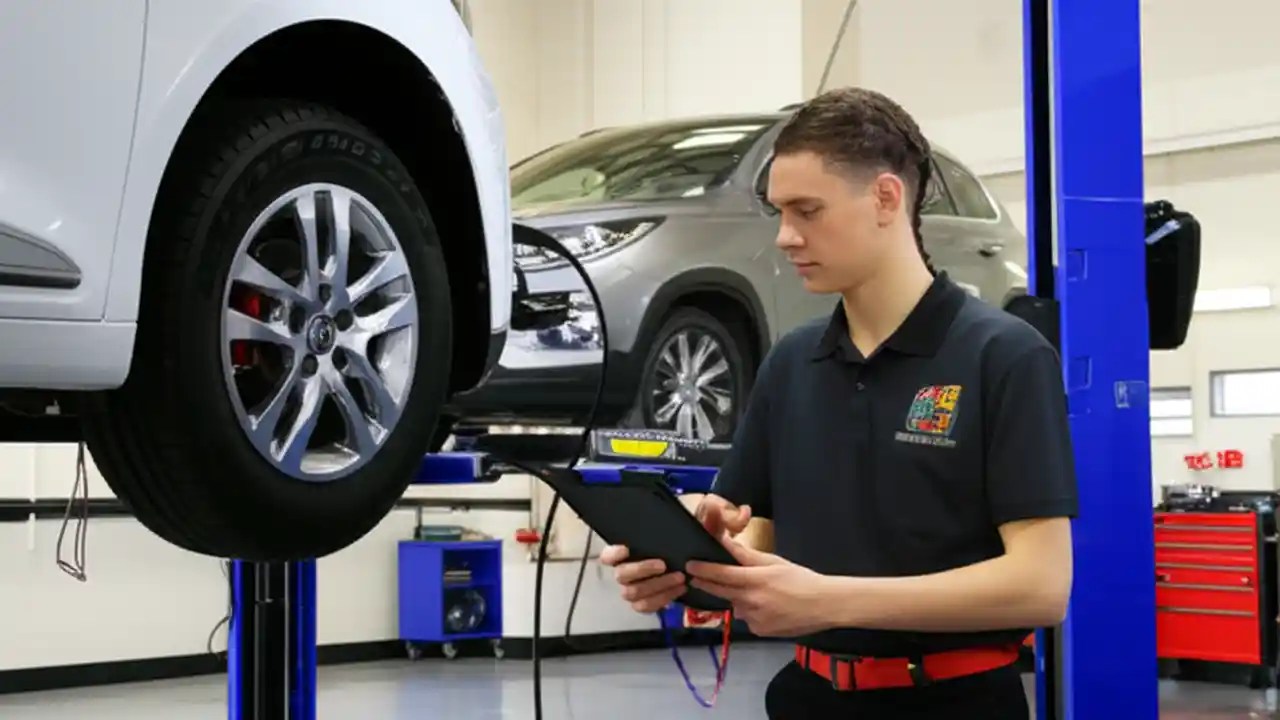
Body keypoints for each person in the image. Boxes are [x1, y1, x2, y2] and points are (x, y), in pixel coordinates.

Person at [599, 87, 1078, 719]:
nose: (785, 237)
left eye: (808, 211)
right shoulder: (792, 364)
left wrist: (828, 600)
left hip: (954, 704)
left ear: (886, 198)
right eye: (779, 213)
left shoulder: (1003, 356)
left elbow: (1041, 587)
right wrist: (688, 564)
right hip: (809, 699)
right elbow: (759, 545)